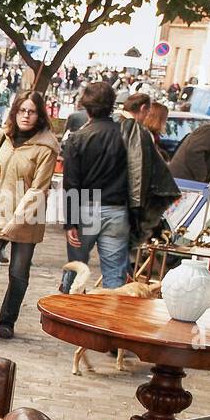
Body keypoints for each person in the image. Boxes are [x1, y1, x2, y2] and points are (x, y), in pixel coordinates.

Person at [0, 91, 60, 341]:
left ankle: (7, 321)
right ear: (15, 112)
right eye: (22, 110)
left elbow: (39, 188)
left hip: (27, 217)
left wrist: (16, 220)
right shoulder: (3, 136)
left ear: (39, 115)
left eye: (32, 111)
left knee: (18, 273)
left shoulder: (46, 147)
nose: (26, 116)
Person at [61, 81, 131, 288]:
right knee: (114, 275)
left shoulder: (77, 138)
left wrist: (70, 222)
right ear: (112, 105)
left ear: (85, 105)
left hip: (86, 209)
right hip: (117, 209)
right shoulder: (126, 136)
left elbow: (71, 183)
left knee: (75, 269)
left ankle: (66, 312)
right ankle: (108, 317)